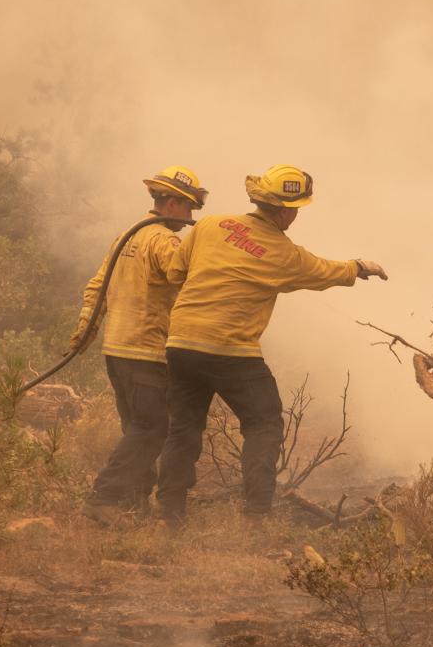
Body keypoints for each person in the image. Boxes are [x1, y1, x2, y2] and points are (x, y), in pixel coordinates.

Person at [154, 164, 385, 526]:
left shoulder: (210, 226)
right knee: (264, 423)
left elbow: (174, 272)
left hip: (181, 343)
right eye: (296, 208)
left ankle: (169, 512)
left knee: (183, 428)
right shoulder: (283, 253)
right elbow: (325, 271)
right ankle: (255, 517)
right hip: (231, 350)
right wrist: (359, 267)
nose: (295, 215)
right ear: (283, 210)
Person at [73, 165, 208, 515]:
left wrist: (86, 327)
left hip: (116, 350)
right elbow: (183, 275)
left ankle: (134, 503)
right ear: (174, 202)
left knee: (137, 428)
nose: (191, 216)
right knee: (151, 428)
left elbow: (96, 287)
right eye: (190, 207)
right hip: (146, 351)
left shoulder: (126, 235)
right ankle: (105, 498)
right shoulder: (164, 240)